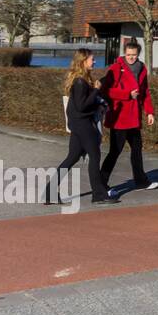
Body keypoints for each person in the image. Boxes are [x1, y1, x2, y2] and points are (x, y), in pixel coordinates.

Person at [45, 49, 117, 205]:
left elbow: (83, 103)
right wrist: (97, 90)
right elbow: (82, 105)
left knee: (72, 157)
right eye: (92, 59)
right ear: (83, 61)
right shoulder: (79, 82)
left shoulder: (83, 80)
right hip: (82, 124)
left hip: (78, 124)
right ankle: (98, 195)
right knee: (95, 156)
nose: (94, 61)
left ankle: (49, 193)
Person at [100, 40, 158, 195]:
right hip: (120, 117)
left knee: (137, 149)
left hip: (134, 117)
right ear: (124, 53)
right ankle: (100, 182)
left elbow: (145, 92)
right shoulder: (116, 68)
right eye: (128, 55)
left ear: (138, 54)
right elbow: (106, 90)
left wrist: (149, 112)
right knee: (115, 151)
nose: (131, 58)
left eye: (134, 55)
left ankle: (141, 181)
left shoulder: (142, 68)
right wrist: (127, 95)